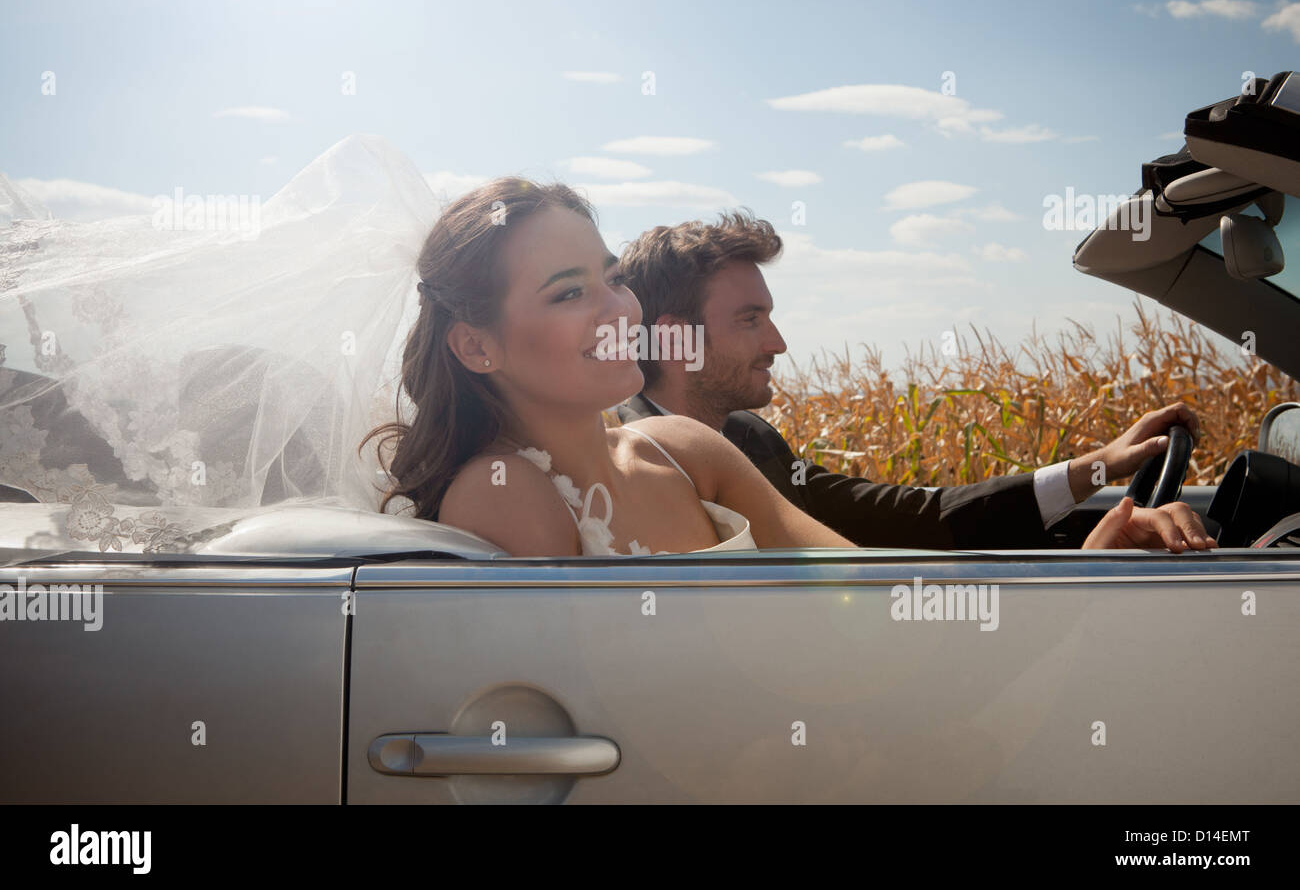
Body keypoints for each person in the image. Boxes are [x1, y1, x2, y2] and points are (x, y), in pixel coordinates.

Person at [365, 179, 1213, 557]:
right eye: (566, 292)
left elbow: (869, 580)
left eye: (610, 275)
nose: (612, 308)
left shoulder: (689, 449)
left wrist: (1087, 556)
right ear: (475, 344)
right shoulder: (505, 492)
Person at [614, 210, 1215, 553]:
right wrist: (1085, 575)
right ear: (674, 338)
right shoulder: (641, 467)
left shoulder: (750, 437)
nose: (778, 343)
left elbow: (916, 517)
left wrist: (1099, 465)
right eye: (751, 320)